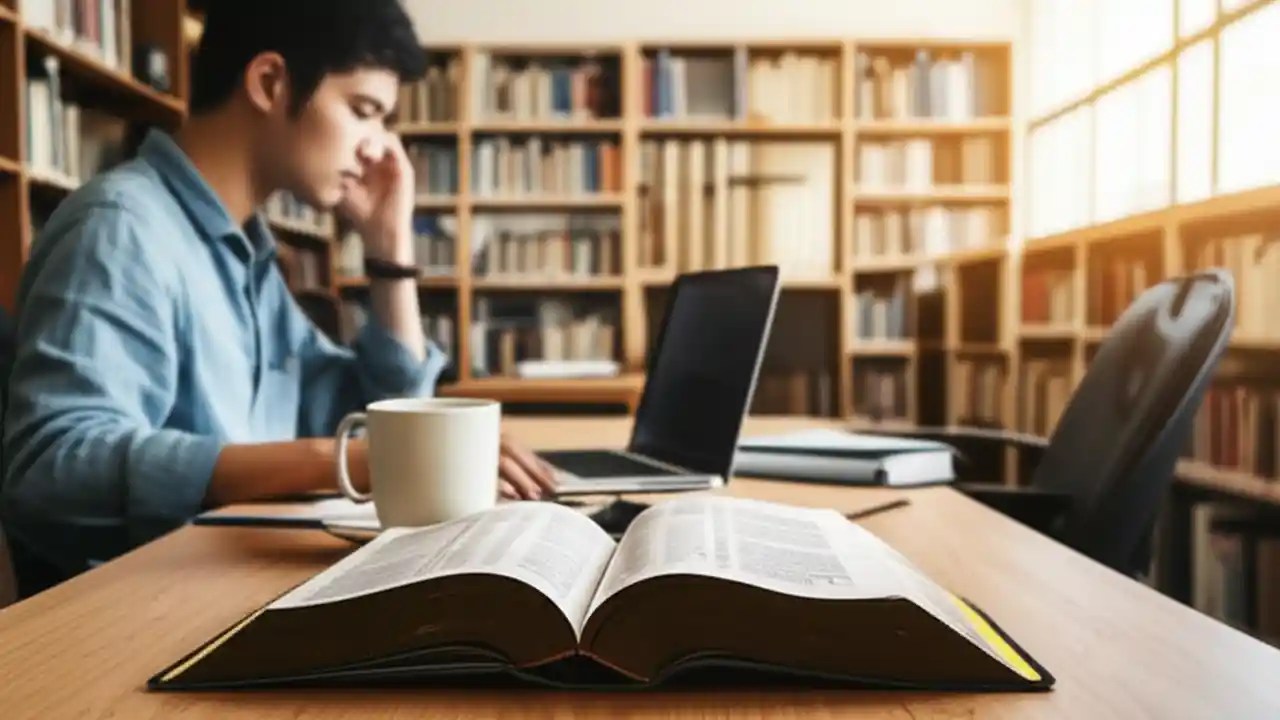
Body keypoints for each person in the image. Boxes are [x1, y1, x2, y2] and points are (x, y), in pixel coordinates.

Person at [0, 0, 556, 593]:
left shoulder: (250, 257)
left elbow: (375, 420)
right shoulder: (121, 229)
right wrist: (336, 462)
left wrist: (390, 255)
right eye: (364, 111)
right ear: (269, 82)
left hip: (230, 589)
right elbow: (50, 470)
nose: (378, 149)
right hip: (138, 619)